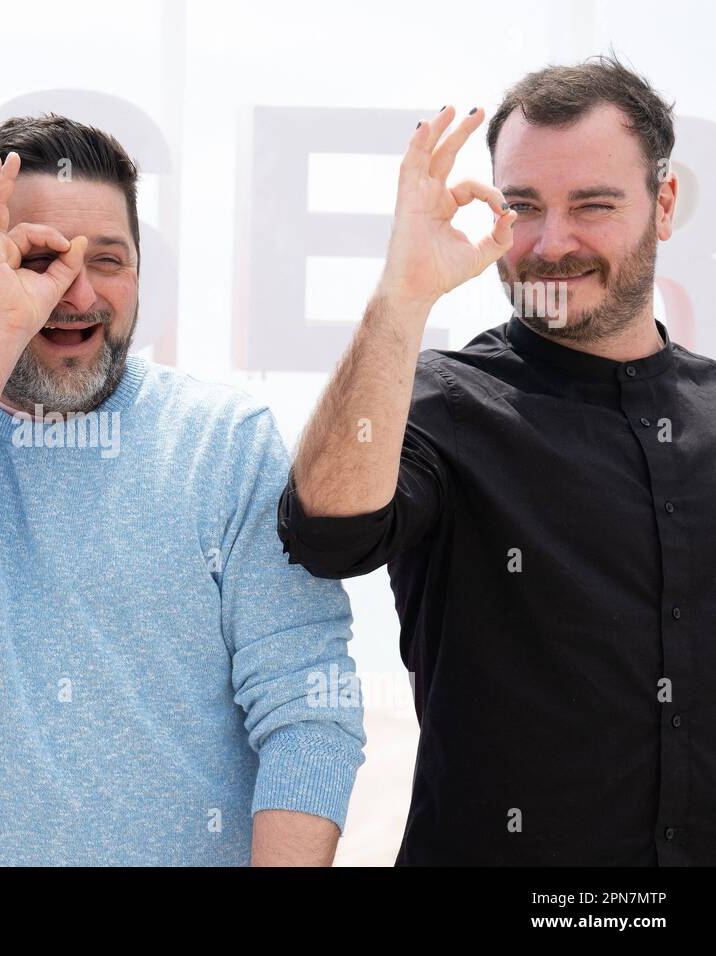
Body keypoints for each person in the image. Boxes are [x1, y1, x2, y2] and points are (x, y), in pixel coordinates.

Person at [0, 114, 365, 866]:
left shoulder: (225, 443)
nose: (76, 292)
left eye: (109, 259)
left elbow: (309, 705)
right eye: (38, 258)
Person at [277, 55, 713, 864]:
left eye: (592, 205)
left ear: (664, 204)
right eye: (523, 208)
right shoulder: (439, 402)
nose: (552, 244)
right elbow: (327, 532)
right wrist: (401, 296)